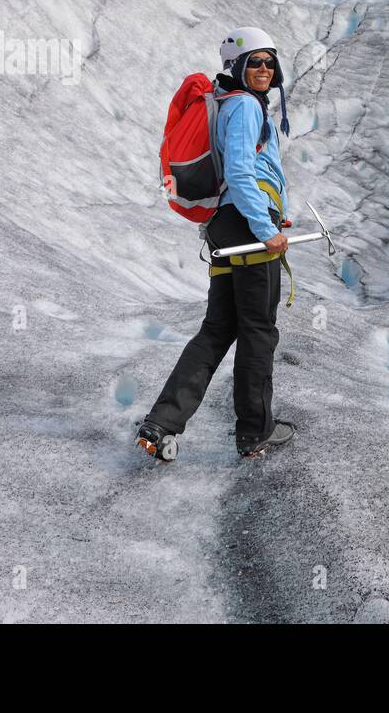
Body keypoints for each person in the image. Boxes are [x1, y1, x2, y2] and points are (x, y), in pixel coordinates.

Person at [137, 27, 296, 459]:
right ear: (236, 68)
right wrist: (266, 230)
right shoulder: (244, 106)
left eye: (269, 62)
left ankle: (161, 423)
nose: (264, 70)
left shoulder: (225, 102)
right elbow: (243, 173)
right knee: (258, 330)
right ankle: (254, 433)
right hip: (248, 228)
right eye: (255, 62)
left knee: (219, 327)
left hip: (226, 226)